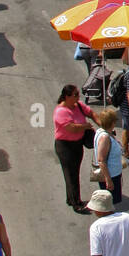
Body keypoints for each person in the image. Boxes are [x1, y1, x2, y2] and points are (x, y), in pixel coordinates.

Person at [53, 84, 97, 212]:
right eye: (75, 95)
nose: (78, 97)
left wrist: (103, 125)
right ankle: (77, 203)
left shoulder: (78, 106)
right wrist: (86, 126)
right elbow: (70, 128)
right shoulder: (61, 112)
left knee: (74, 172)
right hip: (65, 146)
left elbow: (91, 113)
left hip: (77, 144)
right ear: (67, 97)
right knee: (71, 174)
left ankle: (70, 198)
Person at [93, 107, 125, 205]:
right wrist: (108, 179)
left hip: (113, 174)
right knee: (110, 204)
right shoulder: (105, 137)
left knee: (111, 203)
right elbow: (101, 160)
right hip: (111, 175)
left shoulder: (105, 133)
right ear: (112, 123)